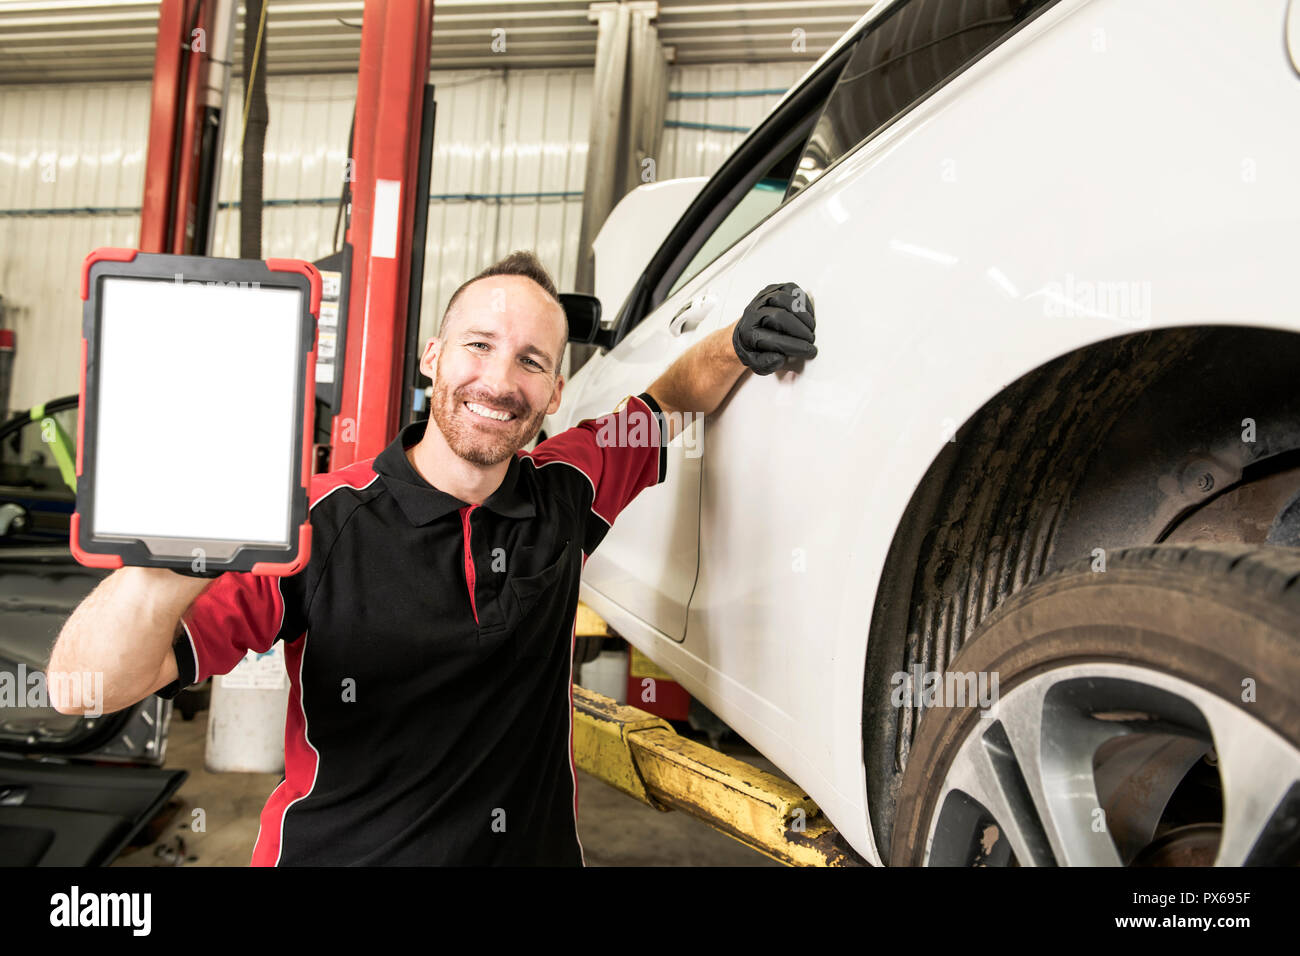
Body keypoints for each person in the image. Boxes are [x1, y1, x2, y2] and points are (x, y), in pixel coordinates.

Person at [48, 250, 817, 865]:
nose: (498, 380)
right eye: (478, 346)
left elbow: (669, 402)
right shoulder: (313, 524)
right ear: (432, 356)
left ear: (554, 391)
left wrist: (739, 343)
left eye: (530, 361)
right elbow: (84, 692)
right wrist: (160, 575)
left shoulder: (569, 488)